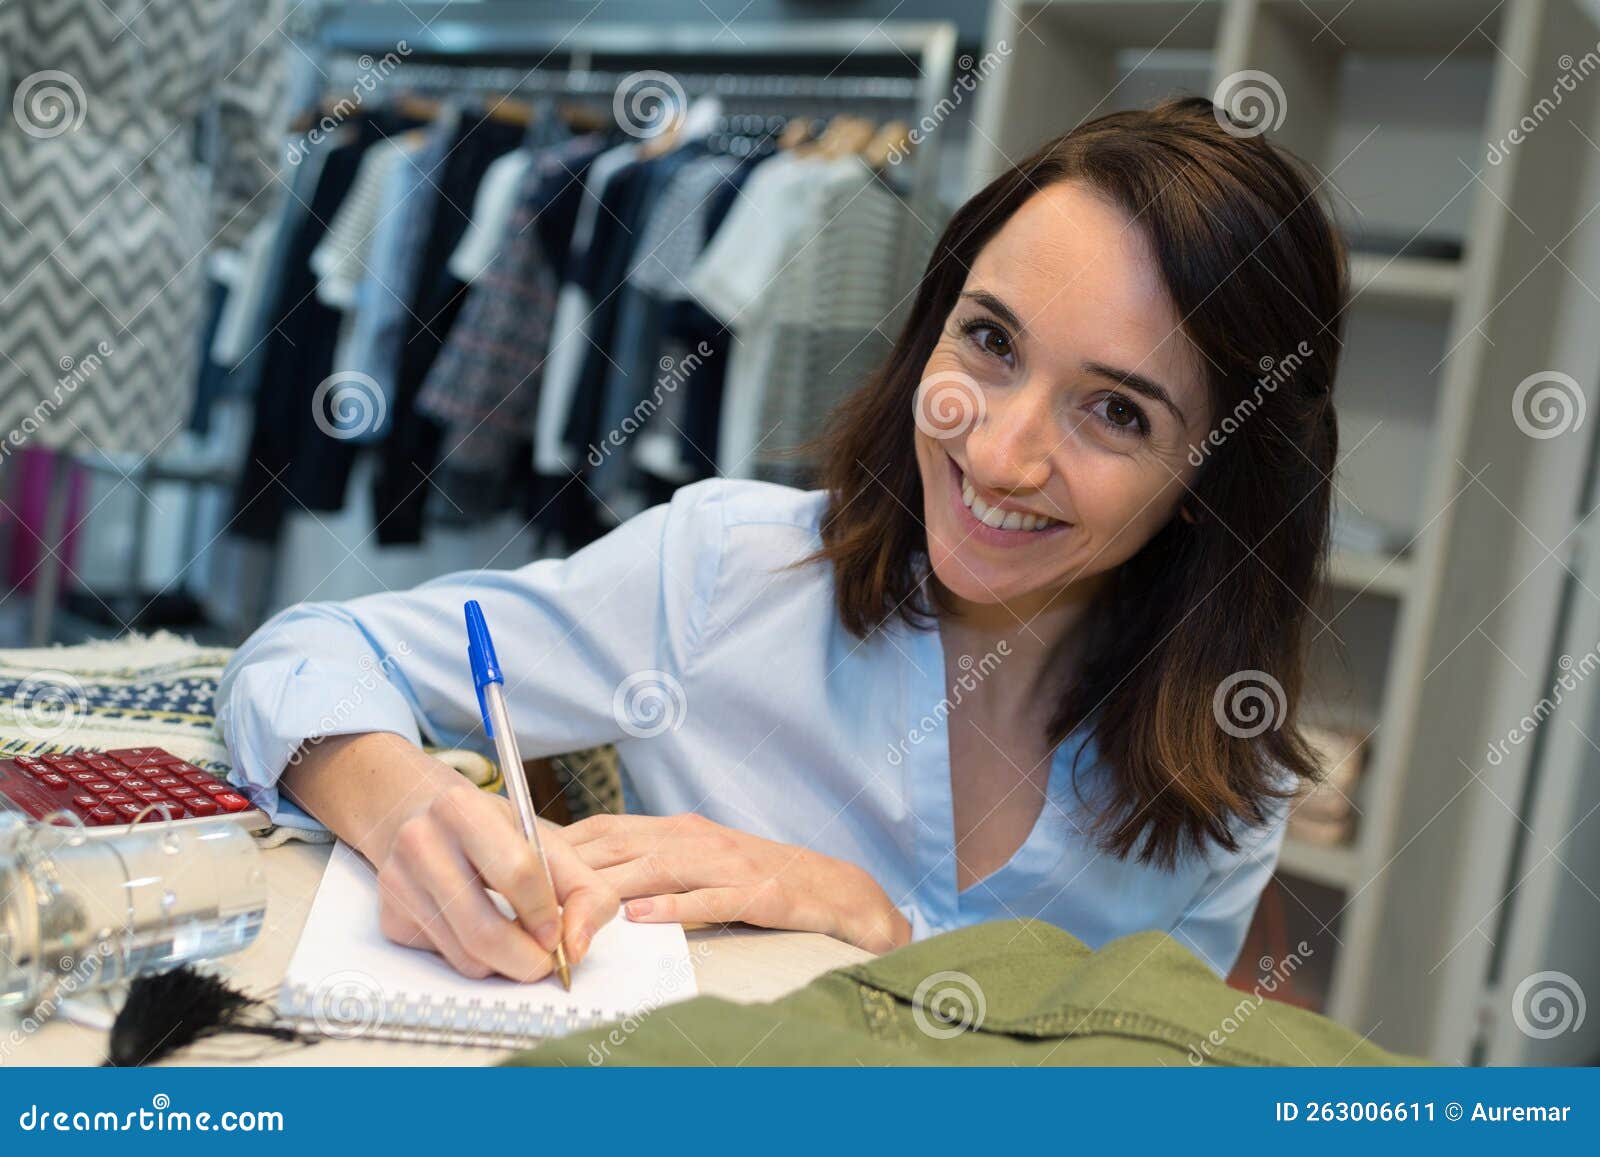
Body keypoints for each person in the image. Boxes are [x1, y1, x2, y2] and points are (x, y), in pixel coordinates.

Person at [217, 97, 1346, 985]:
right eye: (990, 340)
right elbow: (306, 651)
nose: (1000, 453)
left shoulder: (1227, 768)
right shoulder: (731, 569)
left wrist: (875, 928)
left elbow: (1134, 1087)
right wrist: (405, 804)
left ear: (1214, 472)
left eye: (1117, 411)